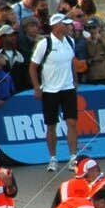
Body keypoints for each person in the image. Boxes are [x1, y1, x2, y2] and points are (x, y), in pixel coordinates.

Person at [29, 12, 80, 171]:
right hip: (50, 90)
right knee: (51, 125)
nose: (68, 26)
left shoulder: (70, 41)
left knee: (72, 122)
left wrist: (75, 80)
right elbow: (33, 67)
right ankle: (53, 158)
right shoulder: (45, 44)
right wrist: (37, 87)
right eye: (65, 24)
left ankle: (73, 157)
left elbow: (72, 63)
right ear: (57, 26)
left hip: (68, 88)